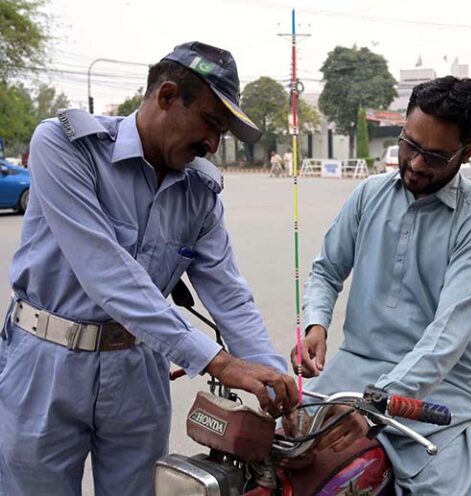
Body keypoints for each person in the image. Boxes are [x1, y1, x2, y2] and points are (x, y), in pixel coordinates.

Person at [0, 41, 298, 496]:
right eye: (211, 124)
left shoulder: (198, 191)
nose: (214, 145)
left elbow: (229, 294)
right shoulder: (66, 145)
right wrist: (219, 362)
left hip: (137, 369)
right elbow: (106, 272)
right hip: (46, 361)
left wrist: (274, 379)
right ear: (166, 96)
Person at [291, 76, 471, 495]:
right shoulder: (368, 195)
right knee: (283, 451)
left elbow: (446, 338)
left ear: (469, 150)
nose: (417, 164)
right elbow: (327, 269)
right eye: (410, 145)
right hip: (357, 366)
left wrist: (374, 406)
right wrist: (316, 325)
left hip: (446, 384)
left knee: (435, 491)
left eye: (437, 156)